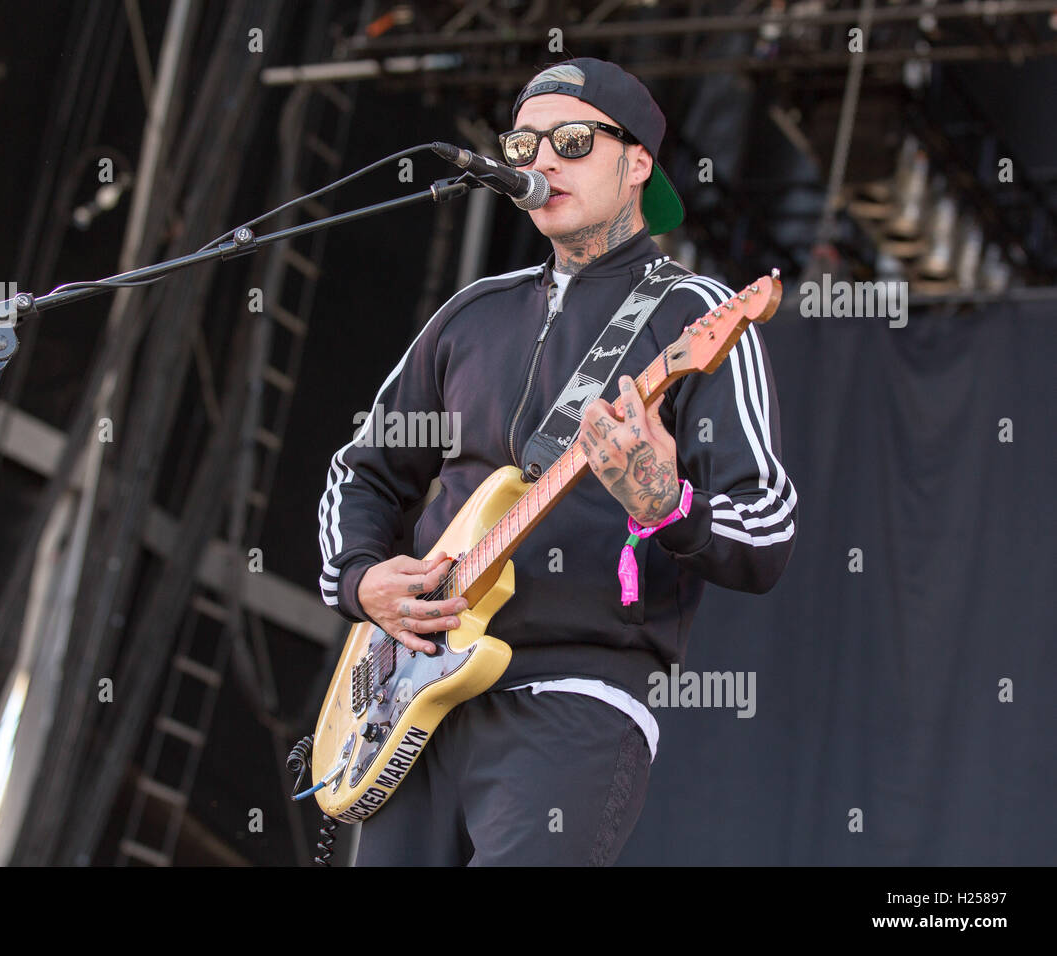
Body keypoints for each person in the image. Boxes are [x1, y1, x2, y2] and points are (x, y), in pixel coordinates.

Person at [317, 57, 797, 866]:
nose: (540, 161)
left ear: (637, 160)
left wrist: (663, 502)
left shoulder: (696, 315)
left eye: (572, 141)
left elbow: (767, 527)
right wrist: (362, 579)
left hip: (577, 699)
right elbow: (362, 469)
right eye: (523, 143)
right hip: (414, 689)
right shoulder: (473, 313)